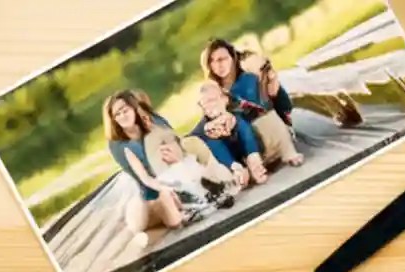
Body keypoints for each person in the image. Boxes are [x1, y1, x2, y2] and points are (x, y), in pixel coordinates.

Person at [201, 38, 303, 167]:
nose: (218, 65)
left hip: (270, 135)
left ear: (233, 58)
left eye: (222, 59)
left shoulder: (250, 78)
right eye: (212, 61)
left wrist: (273, 83)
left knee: (267, 117)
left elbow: (284, 107)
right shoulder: (211, 92)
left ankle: (288, 153)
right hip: (242, 148)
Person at [103, 90, 185, 246]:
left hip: (173, 180)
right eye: (117, 114)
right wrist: (166, 188)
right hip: (152, 195)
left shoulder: (154, 124)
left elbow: (178, 150)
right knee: (164, 201)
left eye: (125, 110)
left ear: (134, 109)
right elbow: (146, 179)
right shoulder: (124, 146)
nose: (122, 116)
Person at [191, 82, 269, 185]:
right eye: (203, 104)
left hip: (248, 150)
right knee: (210, 137)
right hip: (226, 162)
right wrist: (207, 128)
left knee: (241, 124)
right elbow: (191, 139)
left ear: (224, 99)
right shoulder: (204, 127)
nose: (208, 106)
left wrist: (231, 118)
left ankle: (254, 161)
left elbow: (255, 112)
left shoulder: (237, 112)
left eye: (211, 100)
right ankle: (237, 170)